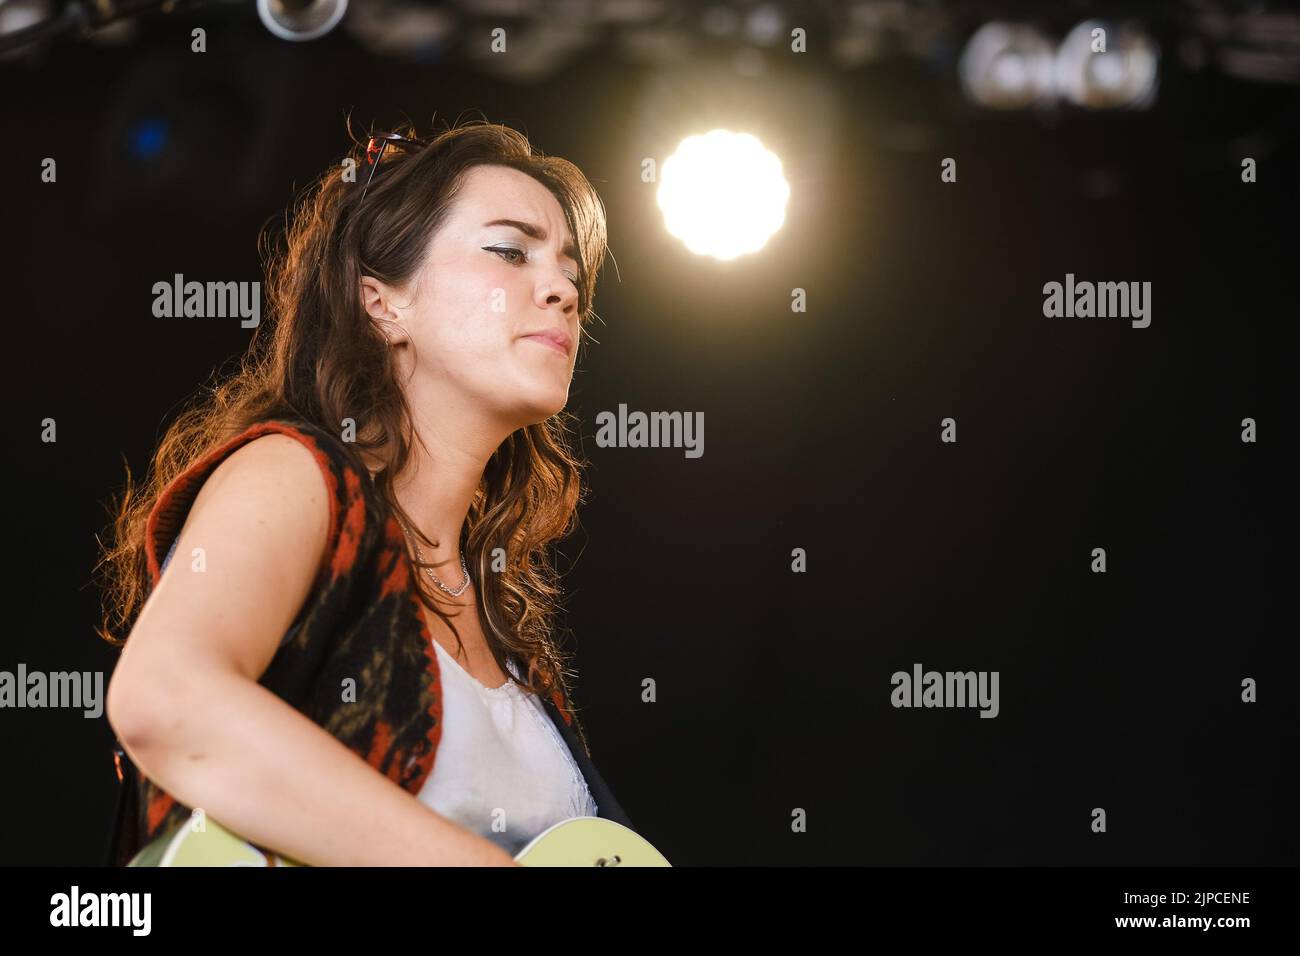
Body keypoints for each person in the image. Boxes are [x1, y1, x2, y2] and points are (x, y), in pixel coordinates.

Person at [96, 117, 633, 867]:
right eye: (510, 252)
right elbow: (165, 701)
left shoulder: (510, 633)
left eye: (571, 274)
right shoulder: (295, 473)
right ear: (382, 302)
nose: (562, 291)